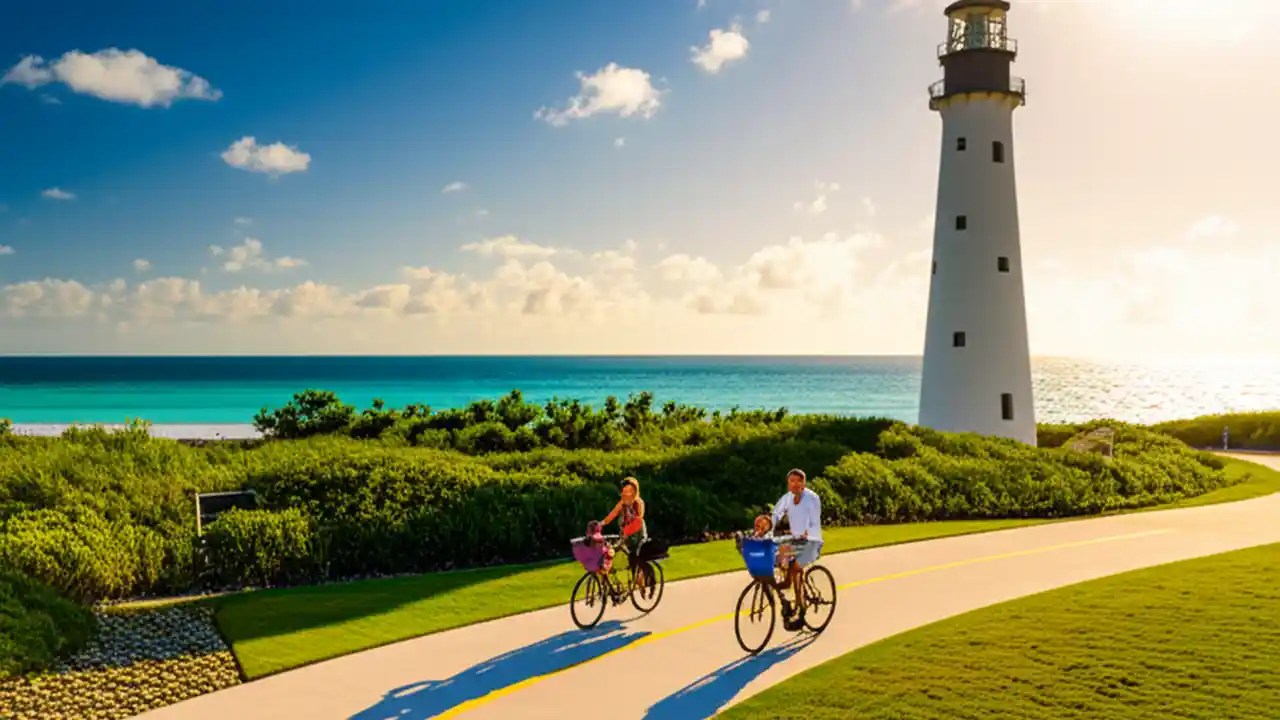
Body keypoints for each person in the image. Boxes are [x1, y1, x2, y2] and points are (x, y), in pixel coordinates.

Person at [770, 468, 822, 631]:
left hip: (811, 541)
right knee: (777, 559)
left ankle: (801, 608)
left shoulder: (812, 498)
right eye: (791, 481)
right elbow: (775, 515)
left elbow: (814, 518)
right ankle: (788, 593)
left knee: (795, 568)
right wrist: (765, 527)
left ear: (804, 483)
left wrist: (807, 531)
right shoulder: (787, 499)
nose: (795, 484)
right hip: (795, 541)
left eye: (798, 481)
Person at [601, 476, 650, 593]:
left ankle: (641, 578)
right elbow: (611, 516)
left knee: (636, 556)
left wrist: (627, 531)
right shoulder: (622, 503)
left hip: (638, 535)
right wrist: (600, 524)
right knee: (609, 555)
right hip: (625, 536)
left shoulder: (639, 503)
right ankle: (612, 585)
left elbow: (638, 520)